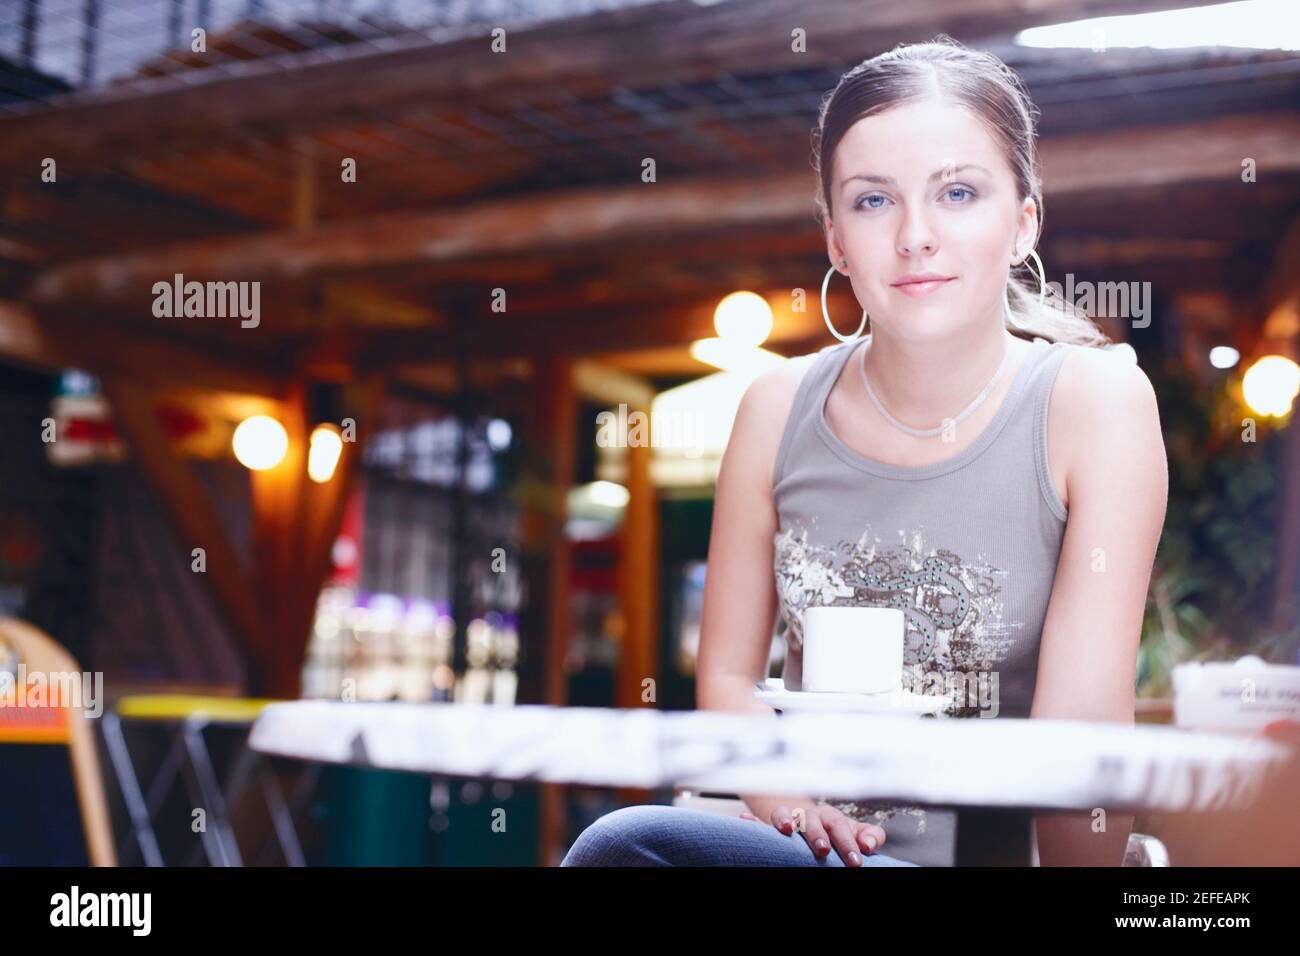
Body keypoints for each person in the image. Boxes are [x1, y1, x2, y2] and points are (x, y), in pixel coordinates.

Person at [562, 36, 1167, 867]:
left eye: (957, 192)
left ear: (1024, 219)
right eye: (873, 202)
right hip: (805, 851)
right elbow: (729, 684)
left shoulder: (1096, 405)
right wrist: (796, 814)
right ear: (837, 239)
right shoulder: (774, 409)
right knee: (625, 851)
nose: (915, 236)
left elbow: (1081, 736)